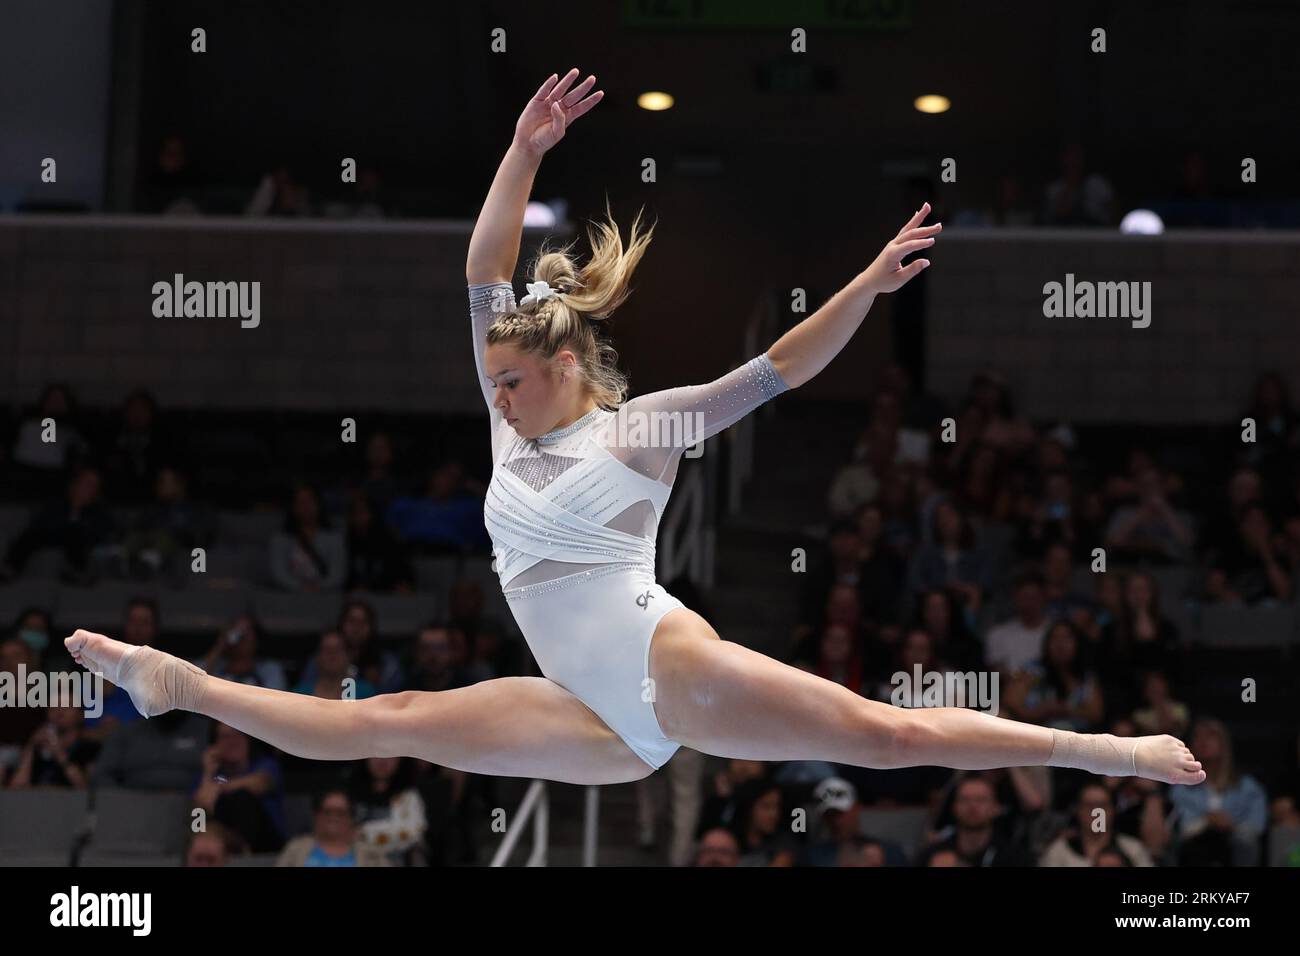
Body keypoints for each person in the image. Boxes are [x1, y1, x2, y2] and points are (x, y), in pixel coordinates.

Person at [64, 67, 1204, 800]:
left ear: (564, 367)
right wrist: (524, 151)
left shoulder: (641, 430)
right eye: (492, 377)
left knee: (879, 736)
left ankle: (1113, 752)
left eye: (510, 378)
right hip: (590, 714)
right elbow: (481, 269)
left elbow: (781, 368)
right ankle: (181, 684)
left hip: (658, 674)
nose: (492, 396)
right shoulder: (514, 418)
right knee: (393, 717)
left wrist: (863, 281)